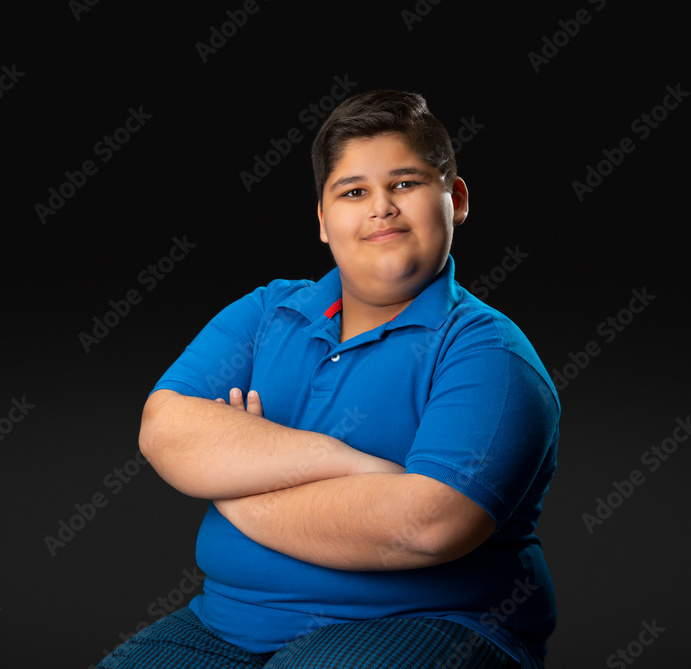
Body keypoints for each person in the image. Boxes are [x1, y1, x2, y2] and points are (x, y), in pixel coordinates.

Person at [98, 90, 561, 669]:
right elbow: (163, 428)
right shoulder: (267, 313)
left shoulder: (487, 352)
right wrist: (349, 464)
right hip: (226, 622)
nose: (381, 208)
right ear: (322, 219)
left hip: (431, 624)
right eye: (354, 191)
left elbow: (427, 524)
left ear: (456, 199)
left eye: (406, 183)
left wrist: (236, 479)